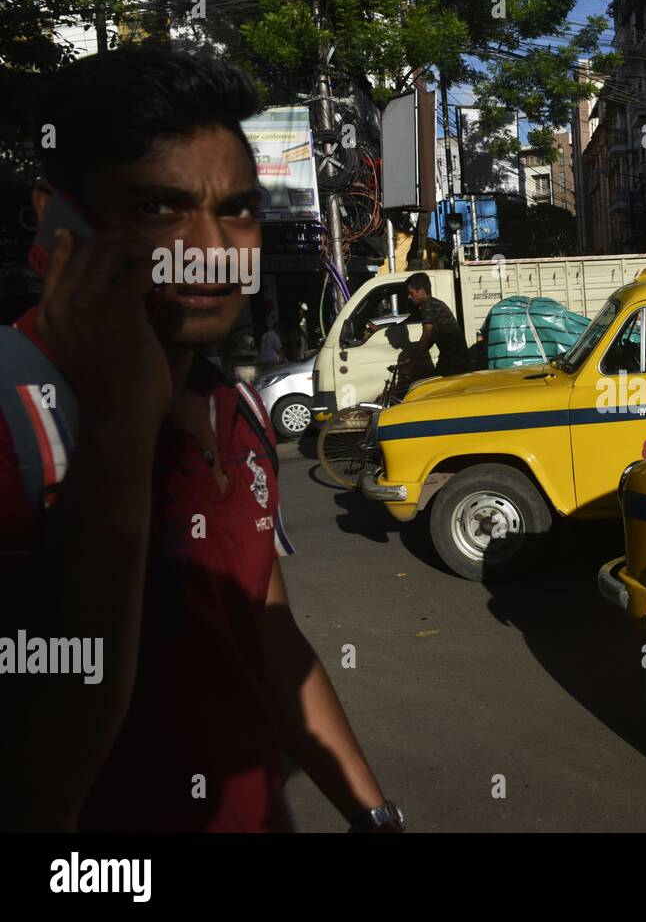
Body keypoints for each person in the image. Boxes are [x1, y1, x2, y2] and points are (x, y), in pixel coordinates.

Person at [0, 48, 402, 832]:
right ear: (59, 219)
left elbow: (268, 628)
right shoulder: (16, 414)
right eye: (159, 209)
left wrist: (375, 812)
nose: (212, 246)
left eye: (238, 210)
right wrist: (119, 431)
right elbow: (34, 783)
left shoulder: (239, 409)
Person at [399, 271, 470, 379]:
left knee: (431, 389)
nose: (409, 297)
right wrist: (413, 359)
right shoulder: (434, 303)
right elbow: (430, 340)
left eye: (411, 293)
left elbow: (426, 336)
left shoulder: (429, 306)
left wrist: (411, 365)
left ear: (421, 291)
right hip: (453, 358)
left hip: (454, 361)